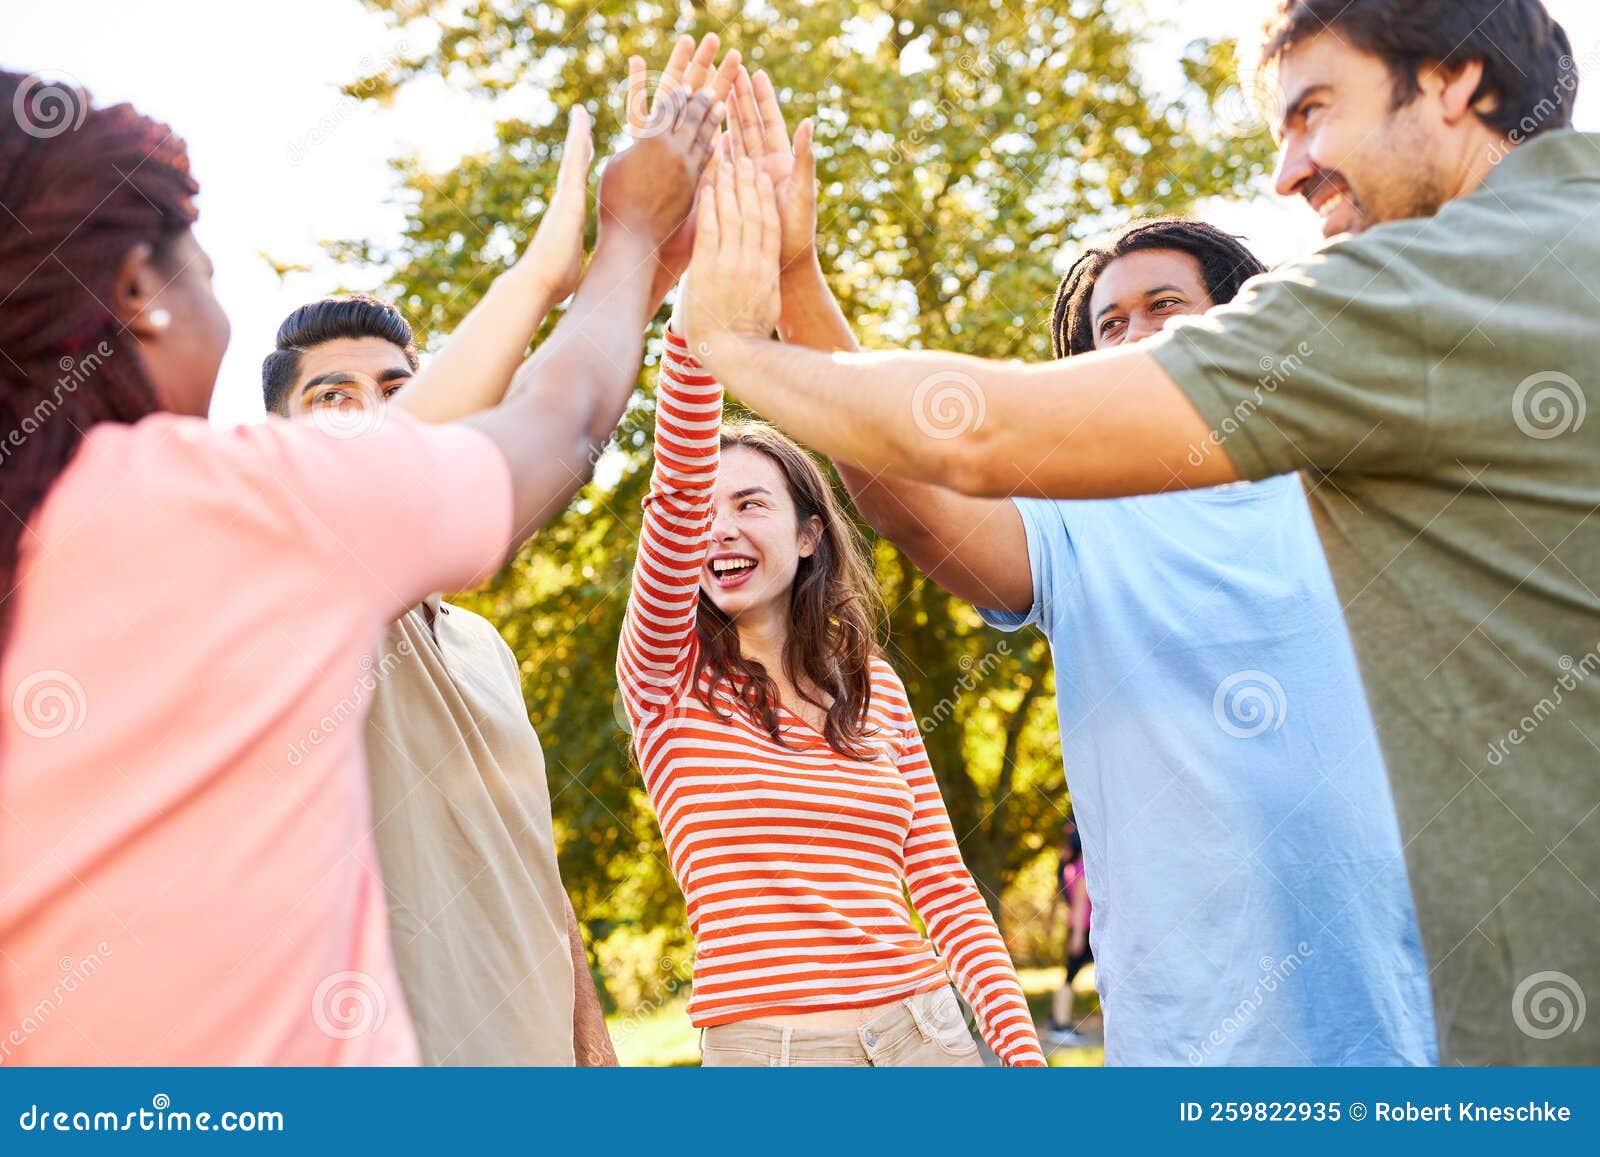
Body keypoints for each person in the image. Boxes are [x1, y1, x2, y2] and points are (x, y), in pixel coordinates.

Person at [680, 0, 1597, 1064]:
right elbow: (923, 481)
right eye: (1107, 329)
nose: (1288, 170)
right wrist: (798, 285)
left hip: (1442, 1029)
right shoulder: (1086, 529)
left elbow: (974, 428)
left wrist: (733, 342)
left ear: (1450, 79)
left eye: (1313, 109)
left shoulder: (1385, 344)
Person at [0, 59, 724, 1064]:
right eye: (204, 269)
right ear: (136, 290)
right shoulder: (227, 510)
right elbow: (559, 420)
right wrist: (629, 242)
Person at [249, 36, 744, 1066]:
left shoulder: (480, 644)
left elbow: (534, 875)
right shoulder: (286, 601)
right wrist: (601, 256)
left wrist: (594, 1051)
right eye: (330, 398)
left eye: (397, 388)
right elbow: (521, 434)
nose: (373, 415)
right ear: (278, 437)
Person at [614, 151, 1045, 1068]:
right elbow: (676, 475)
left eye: (750, 504)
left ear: (810, 535)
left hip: (929, 1036)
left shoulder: (873, 687)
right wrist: (706, 287)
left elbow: (944, 885)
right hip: (774, 1057)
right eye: (704, 507)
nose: (715, 527)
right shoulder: (666, 676)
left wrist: (1020, 1058)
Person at [1046, 819, 1092, 1049]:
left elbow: (1058, 899)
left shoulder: (1067, 867)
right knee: (1070, 975)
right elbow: (1082, 902)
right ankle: (1060, 1025)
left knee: (1070, 974)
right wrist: (1078, 936)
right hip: (1084, 928)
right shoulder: (1082, 867)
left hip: (1077, 926)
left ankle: (1058, 1020)